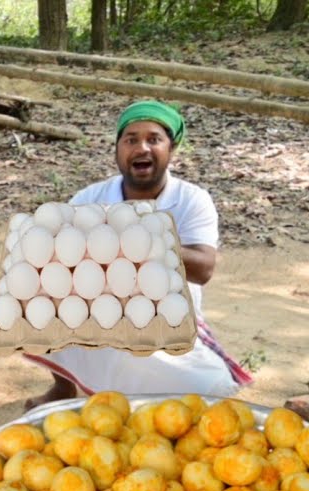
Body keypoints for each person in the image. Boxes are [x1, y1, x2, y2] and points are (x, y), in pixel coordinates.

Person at [24, 100, 252, 408]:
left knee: (209, 388)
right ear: (118, 150)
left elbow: (203, 269)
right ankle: (64, 386)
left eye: (154, 139)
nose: (142, 148)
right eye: (131, 139)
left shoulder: (191, 200)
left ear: (171, 150)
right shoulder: (91, 197)